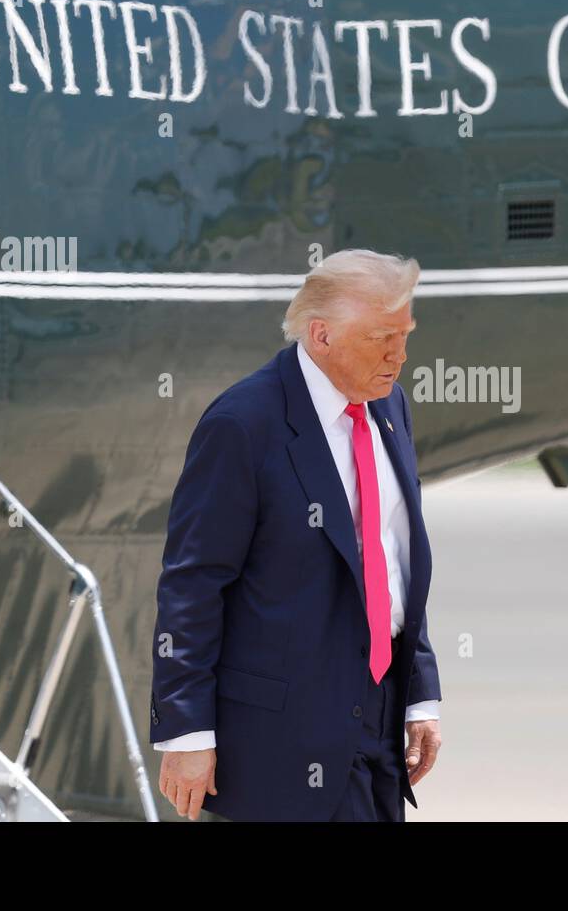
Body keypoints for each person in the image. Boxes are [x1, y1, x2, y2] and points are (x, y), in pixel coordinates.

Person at [149, 248, 442, 821]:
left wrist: (420, 693)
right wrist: (185, 734)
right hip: (278, 742)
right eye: (382, 337)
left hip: (379, 726)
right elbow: (192, 586)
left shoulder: (390, 407)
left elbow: (390, 560)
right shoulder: (243, 424)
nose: (400, 355)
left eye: (405, 335)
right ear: (321, 335)